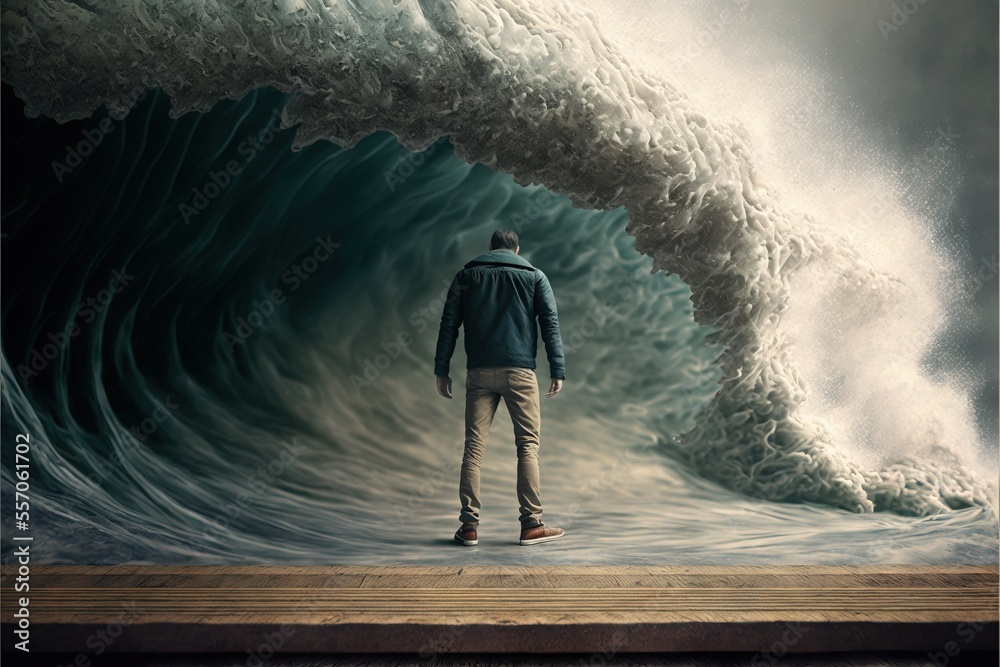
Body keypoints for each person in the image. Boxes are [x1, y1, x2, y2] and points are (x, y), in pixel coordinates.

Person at [434, 228, 567, 546]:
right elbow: (549, 322)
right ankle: (531, 524)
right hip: (521, 372)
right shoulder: (535, 276)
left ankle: (468, 527)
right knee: (527, 447)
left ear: (490, 248)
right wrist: (557, 369)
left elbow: (449, 323)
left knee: (473, 450)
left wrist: (442, 369)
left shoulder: (467, 275)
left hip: (479, 373)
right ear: (516, 249)